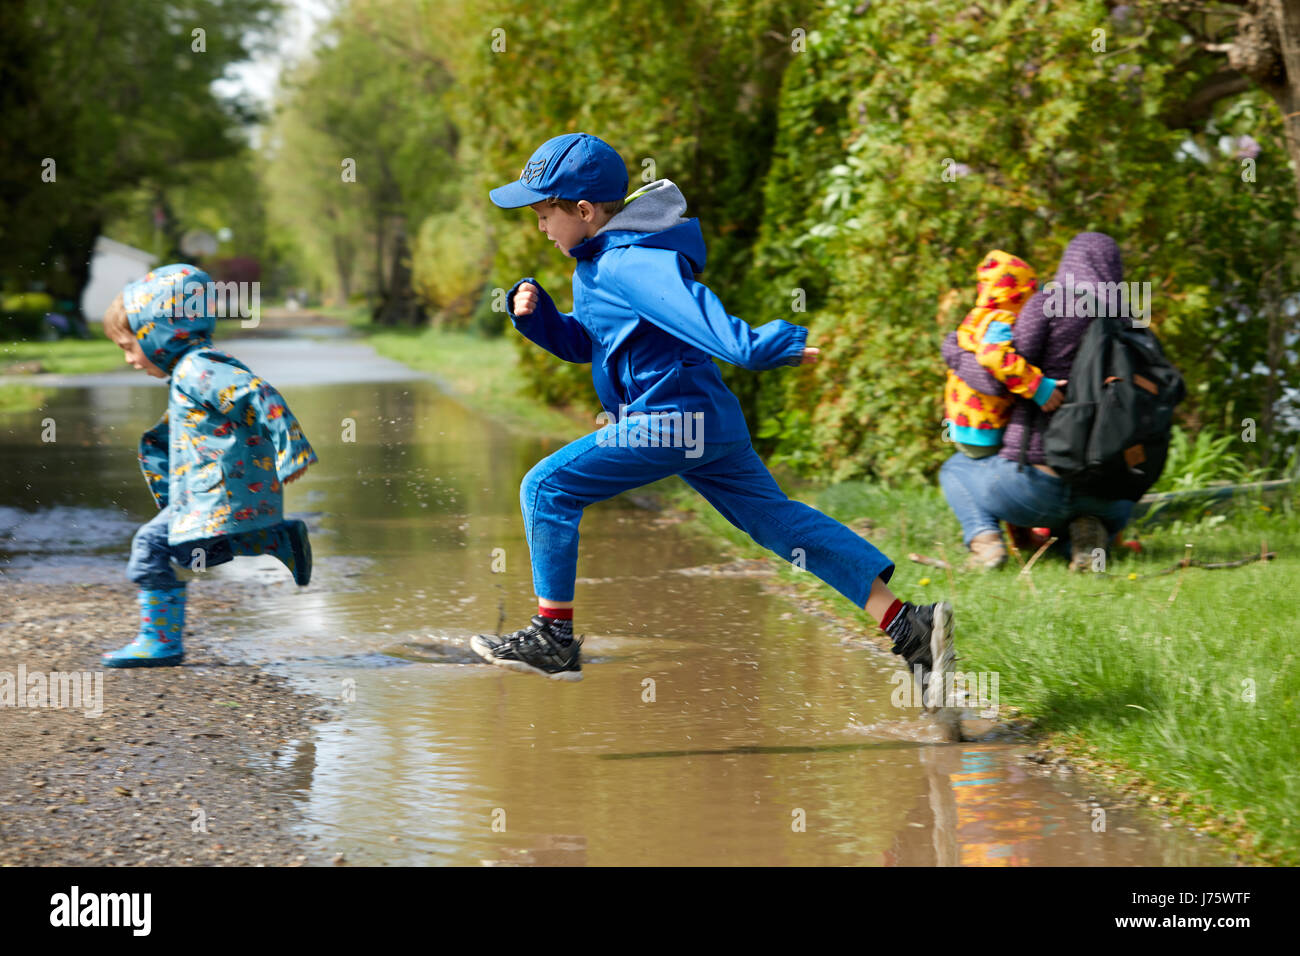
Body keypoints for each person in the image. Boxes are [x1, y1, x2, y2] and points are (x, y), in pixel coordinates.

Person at [473, 131, 953, 698]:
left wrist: (756, 347)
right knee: (777, 523)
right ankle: (910, 625)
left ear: (582, 210)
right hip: (706, 425)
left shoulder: (631, 262)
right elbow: (593, 344)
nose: (539, 227)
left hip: (672, 420)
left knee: (544, 489)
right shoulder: (598, 263)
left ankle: (553, 637)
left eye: (543, 212)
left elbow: (698, 316)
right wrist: (540, 320)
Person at [100, 264, 317, 667]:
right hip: (211, 490)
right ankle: (276, 540)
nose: (129, 359)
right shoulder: (191, 368)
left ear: (157, 333)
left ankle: (160, 641)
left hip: (216, 491)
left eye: (129, 346)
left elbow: (257, 392)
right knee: (192, 547)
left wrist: (292, 447)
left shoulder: (197, 369)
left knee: (150, 546)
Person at [938, 232, 1134, 572]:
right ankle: (1087, 531)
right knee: (1082, 508)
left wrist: (953, 351)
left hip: (1033, 489)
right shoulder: (1130, 320)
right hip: (1113, 498)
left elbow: (994, 381)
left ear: (1069, 264)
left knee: (954, 469)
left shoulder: (1047, 305)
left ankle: (986, 545)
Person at [943, 249, 1067, 568]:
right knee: (999, 469)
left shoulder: (977, 314)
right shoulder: (1002, 319)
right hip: (983, 424)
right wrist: (1038, 388)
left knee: (997, 468)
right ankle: (989, 542)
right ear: (1018, 293)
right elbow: (993, 358)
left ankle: (1020, 540)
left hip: (962, 419)